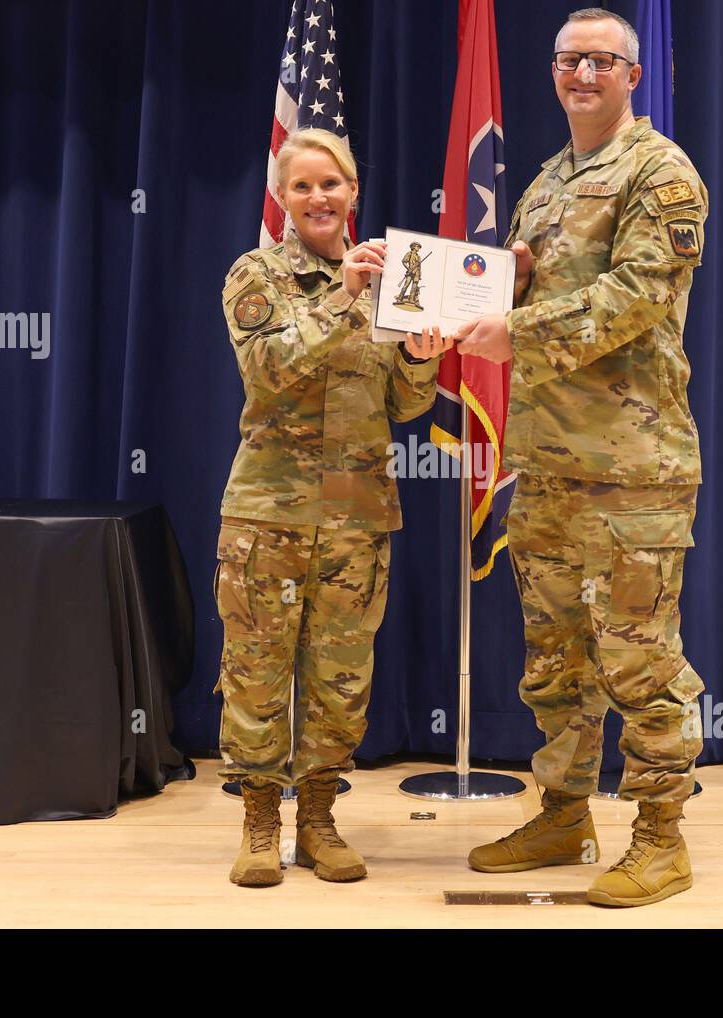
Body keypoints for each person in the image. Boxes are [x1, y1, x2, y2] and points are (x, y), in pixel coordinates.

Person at [455, 7, 710, 907]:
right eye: (569, 61)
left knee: (639, 661)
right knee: (557, 661)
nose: (583, 75)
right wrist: (493, 284)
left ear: (632, 76)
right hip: (553, 465)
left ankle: (662, 838)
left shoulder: (661, 171)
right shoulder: (546, 181)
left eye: (602, 61)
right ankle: (564, 813)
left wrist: (512, 324)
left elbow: (637, 296)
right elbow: (541, 283)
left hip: (632, 468)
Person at [218, 128, 447, 887]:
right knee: (257, 670)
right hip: (270, 509)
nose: (319, 198)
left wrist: (420, 358)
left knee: (341, 677)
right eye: (304, 186)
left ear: (355, 193)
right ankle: (259, 821)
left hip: (356, 510)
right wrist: (346, 297)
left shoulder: (395, 281)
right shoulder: (256, 275)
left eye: (333, 184)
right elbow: (272, 366)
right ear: (283, 198)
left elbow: (405, 405)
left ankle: (317, 817)